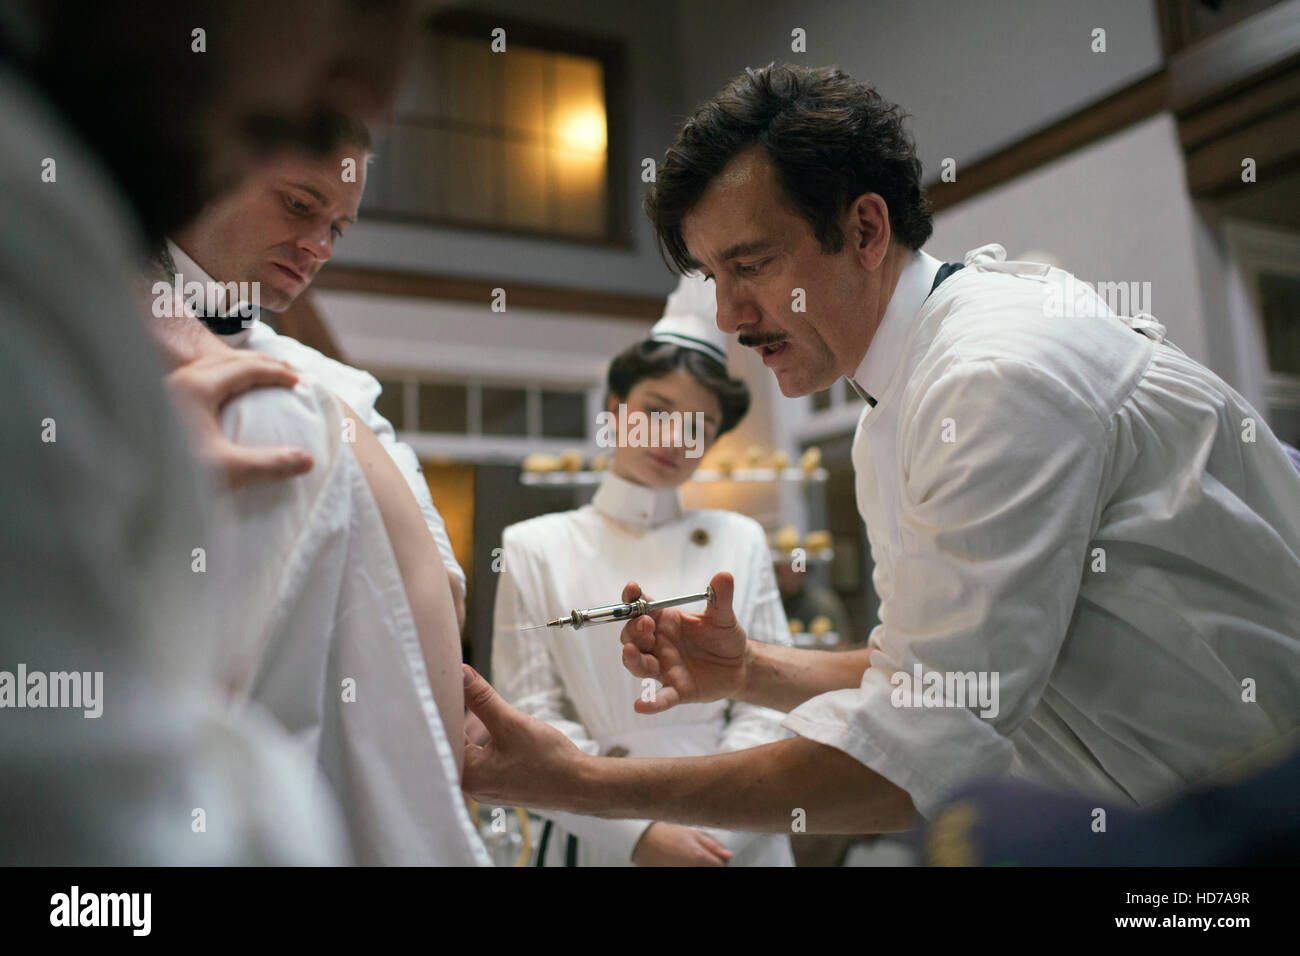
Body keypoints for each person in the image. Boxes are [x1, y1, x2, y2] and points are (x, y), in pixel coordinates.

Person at [459, 64, 1300, 841]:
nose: (730, 315)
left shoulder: (991, 376)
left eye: (749, 265)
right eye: (714, 276)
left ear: (864, 227)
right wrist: (753, 669)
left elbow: (916, 751)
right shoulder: (892, 412)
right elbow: (934, 669)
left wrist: (577, 785)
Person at [0, 0, 417, 863]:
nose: (382, 84)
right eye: (366, 6)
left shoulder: (311, 384)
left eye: (337, 228)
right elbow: (84, 838)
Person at [490, 275, 794, 866]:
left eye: (699, 428)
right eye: (657, 411)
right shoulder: (533, 545)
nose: (674, 440)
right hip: (597, 826)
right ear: (614, 409)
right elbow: (533, 717)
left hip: (733, 830)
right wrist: (636, 836)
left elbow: (770, 703)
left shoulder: (742, 538)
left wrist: (715, 833)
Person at [157, 115, 468, 625]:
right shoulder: (74, 312)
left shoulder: (348, 391)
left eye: (337, 230)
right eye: (299, 205)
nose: (319, 248)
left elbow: (439, 601)